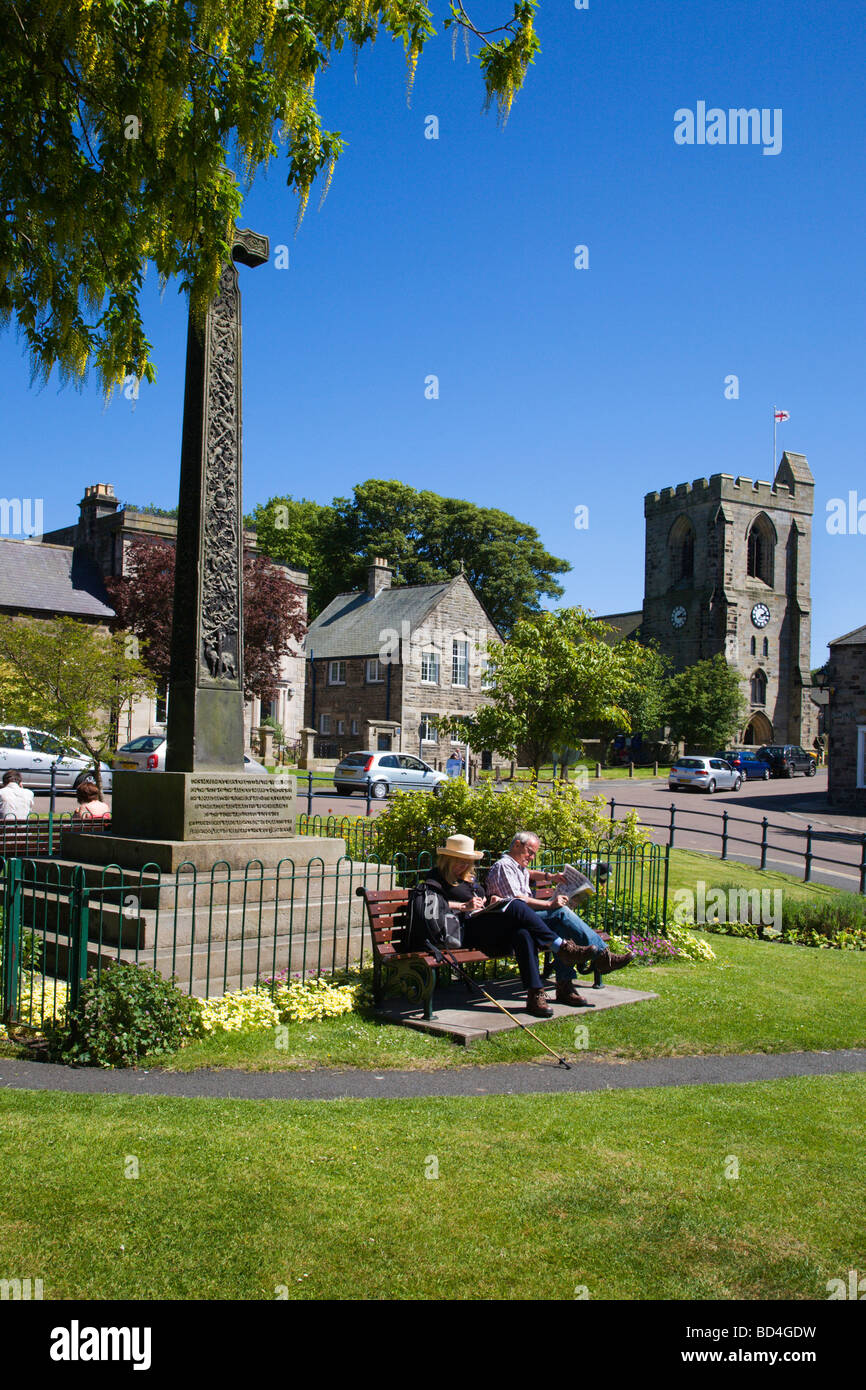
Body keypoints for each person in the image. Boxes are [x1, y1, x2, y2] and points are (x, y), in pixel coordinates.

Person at [423, 834, 595, 1018]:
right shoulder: (436, 877)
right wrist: (463, 906)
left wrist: (490, 901)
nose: (464, 866)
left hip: (485, 926)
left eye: (468, 861)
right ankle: (561, 947)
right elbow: (428, 904)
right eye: (460, 862)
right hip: (463, 929)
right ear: (448, 860)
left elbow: (484, 898)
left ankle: (535, 993)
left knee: (522, 933)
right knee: (516, 904)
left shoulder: (468, 878)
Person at [485, 831, 633, 1006]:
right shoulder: (504, 866)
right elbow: (516, 901)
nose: (532, 857)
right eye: (529, 852)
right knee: (561, 914)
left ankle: (565, 987)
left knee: (563, 927)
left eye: (534, 853)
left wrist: (551, 877)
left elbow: (528, 873)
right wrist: (549, 905)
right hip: (511, 922)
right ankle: (602, 957)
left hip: (526, 919)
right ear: (516, 845)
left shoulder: (516, 865)